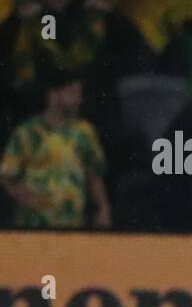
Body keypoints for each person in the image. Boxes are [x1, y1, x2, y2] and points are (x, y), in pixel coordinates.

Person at [0, 74, 110, 229]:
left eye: (79, 93)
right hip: (32, 224)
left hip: (73, 223)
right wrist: (20, 194)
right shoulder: (28, 131)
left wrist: (103, 208)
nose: (78, 99)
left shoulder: (84, 132)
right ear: (53, 94)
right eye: (72, 93)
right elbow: (5, 174)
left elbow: (94, 174)